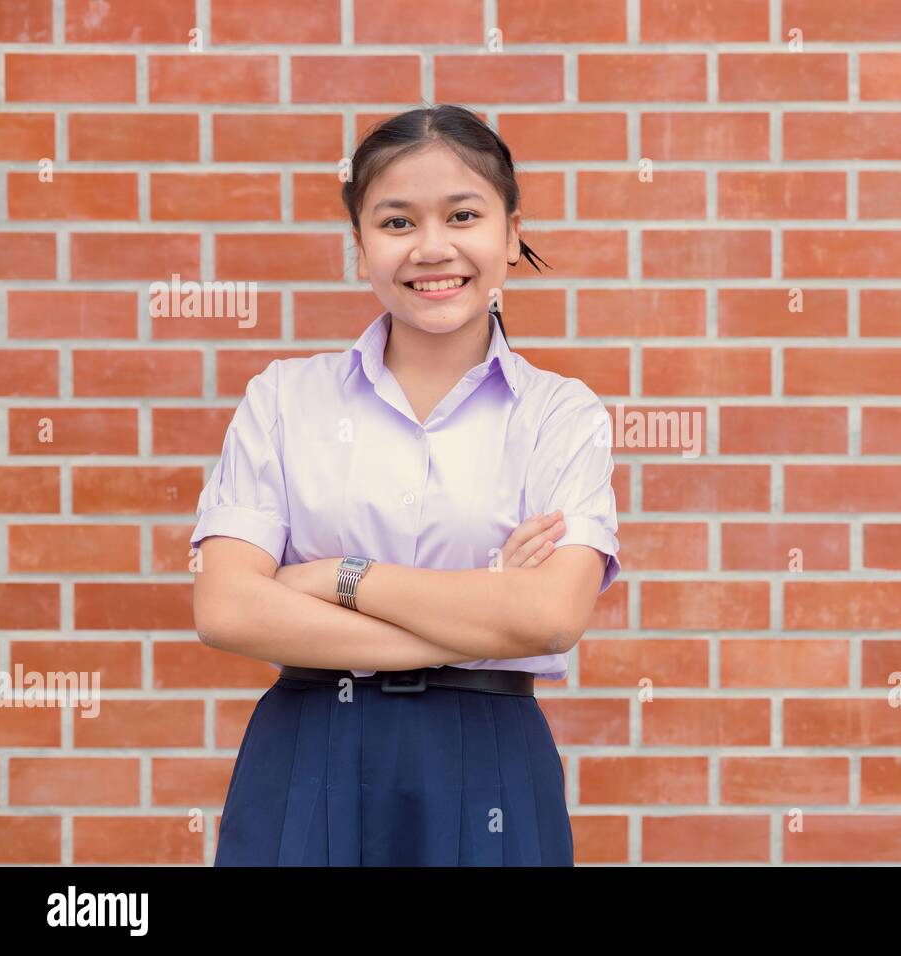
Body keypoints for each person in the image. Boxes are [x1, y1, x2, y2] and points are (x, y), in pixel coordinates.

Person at [189, 104, 621, 866]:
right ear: (360, 244)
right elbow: (226, 608)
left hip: (488, 762)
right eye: (396, 223)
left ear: (510, 233)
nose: (432, 248)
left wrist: (334, 577)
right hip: (310, 758)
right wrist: (482, 605)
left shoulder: (561, 415)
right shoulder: (284, 399)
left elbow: (551, 617)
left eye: (463, 215)